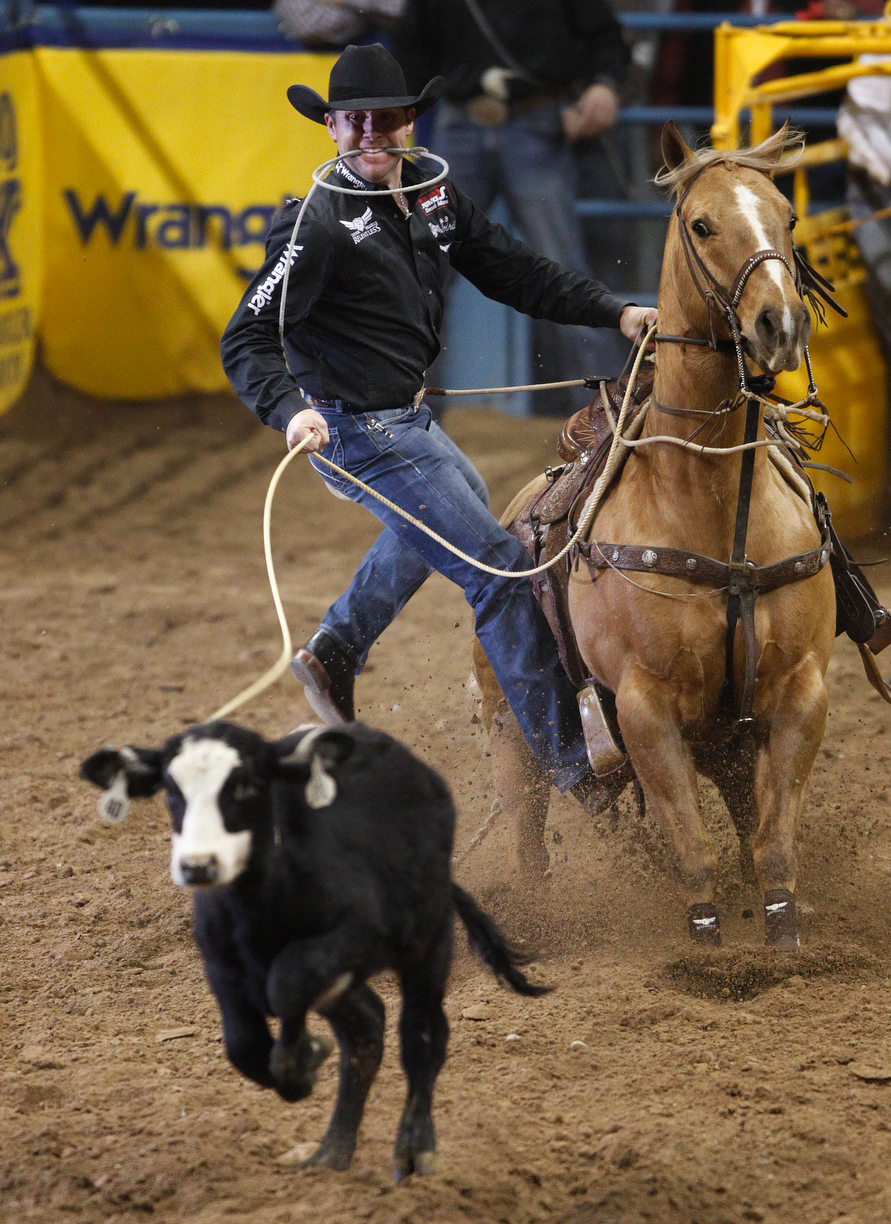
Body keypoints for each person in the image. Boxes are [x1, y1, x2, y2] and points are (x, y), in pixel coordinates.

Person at [220, 43, 656, 810]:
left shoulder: (433, 192)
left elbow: (513, 268)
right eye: (355, 122)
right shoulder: (313, 225)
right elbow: (245, 337)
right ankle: (574, 769)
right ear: (330, 127)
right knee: (493, 570)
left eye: (386, 120)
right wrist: (293, 414)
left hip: (406, 421)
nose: (371, 136)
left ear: (410, 122)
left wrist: (612, 310)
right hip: (358, 432)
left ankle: (332, 651)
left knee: (456, 524)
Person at [391, 0, 631, 416]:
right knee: (427, 268)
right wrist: (606, 81)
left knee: (427, 267)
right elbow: (411, 44)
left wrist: (606, 83)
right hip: (500, 122)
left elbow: (605, 36)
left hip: (505, 121)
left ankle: (609, 417)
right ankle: (609, 416)